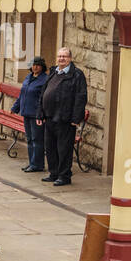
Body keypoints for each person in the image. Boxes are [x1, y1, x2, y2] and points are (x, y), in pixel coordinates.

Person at [38, 47, 87, 186]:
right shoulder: (54, 72)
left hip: (65, 119)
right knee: (50, 147)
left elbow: (81, 97)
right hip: (50, 117)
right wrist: (40, 113)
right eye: (59, 56)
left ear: (70, 58)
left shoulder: (77, 75)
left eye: (64, 57)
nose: (61, 59)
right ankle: (53, 173)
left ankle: (64, 176)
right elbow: (44, 93)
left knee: (63, 149)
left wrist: (76, 119)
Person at [12, 57, 49, 173]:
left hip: (36, 115)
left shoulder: (45, 80)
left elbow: (43, 99)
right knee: (29, 139)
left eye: (38, 65)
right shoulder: (28, 77)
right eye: (33, 65)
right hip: (26, 113)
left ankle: (38, 164)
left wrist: (40, 113)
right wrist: (15, 107)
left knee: (37, 140)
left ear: (42, 67)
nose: (35, 67)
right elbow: (22, 94)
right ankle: (32, 163)